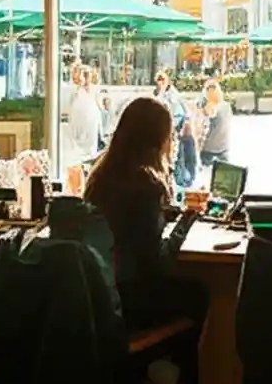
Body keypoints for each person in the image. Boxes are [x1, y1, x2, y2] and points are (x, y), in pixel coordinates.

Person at [83, 96, 208, 331]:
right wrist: (188, 217)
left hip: (99, 299)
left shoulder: (99, 178)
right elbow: (159, 263)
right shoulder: (146, 186)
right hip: (130, 302)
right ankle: (176, 365)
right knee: (200, 293)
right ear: (157, 140)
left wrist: (169, 214)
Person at [154, 71, 196, 187]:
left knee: (178, 166)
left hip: (176, 135)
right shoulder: (159, 95)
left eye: (162, 79)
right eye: (158, 80)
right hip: (170, 136)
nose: (160, 82)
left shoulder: (173, 97)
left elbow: (178, 116)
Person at [198, 79, 233, 167]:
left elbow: (208, 116)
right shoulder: (226, 106)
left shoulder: (211, 108)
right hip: (223, 148)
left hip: (209, 150)